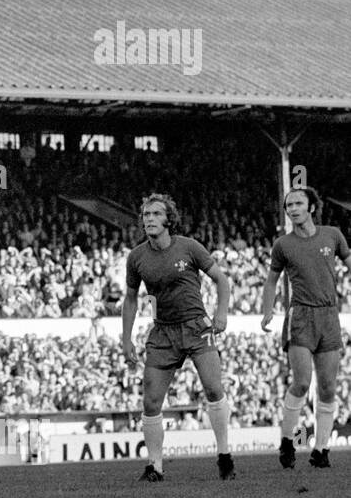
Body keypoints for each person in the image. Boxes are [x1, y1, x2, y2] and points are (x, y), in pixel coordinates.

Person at [121, 194, 235, 482]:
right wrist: (126, 338)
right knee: (151, 402)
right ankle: (155, 467)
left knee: (212, 388)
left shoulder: (189, 247)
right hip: (163, 331)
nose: (148, 218)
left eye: (155, 213)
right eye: (145, 214)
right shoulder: (137, 258)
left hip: (197, 327)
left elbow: (221, 280)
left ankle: (224, 456)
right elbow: (131, 299)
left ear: (168, 219)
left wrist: (221, 314)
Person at [260, 187, 350, 469]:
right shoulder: (282, 245)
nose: (293, 208)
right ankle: (288, 442)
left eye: (299, 203)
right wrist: (267, 310)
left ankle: (321, 450)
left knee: (327, 386)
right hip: (300, 316)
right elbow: (272, 280)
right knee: (301, 382)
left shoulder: (333, 235)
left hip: (329, 316)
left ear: (312, 206)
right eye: (289, 205)